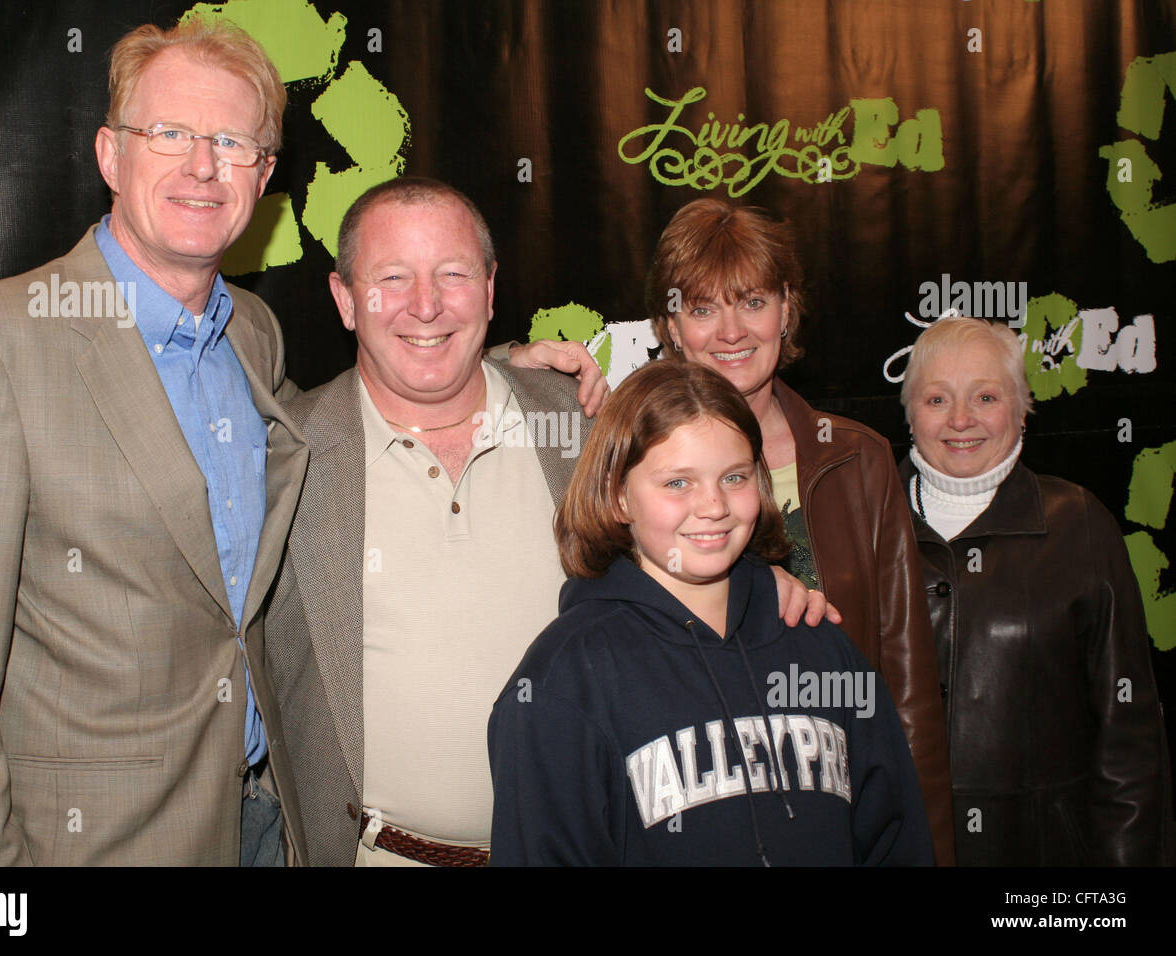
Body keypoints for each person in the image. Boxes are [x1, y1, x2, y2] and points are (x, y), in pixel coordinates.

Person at [263, 177, 834, 866]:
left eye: (453, 274)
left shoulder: (580, 423)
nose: (426, 304)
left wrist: (756, 588)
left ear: (491, 289)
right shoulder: (283, 457)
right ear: (345, 300)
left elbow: (687, 525)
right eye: (393, 277)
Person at [0, 19, 305, 865]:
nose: (202, 165)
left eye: (232, 141)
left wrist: (495, 374)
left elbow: (324, 428)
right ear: (111, 156)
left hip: (264, 822)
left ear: (263, 175)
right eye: (171, 133)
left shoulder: (251, 331)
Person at [488, 359, 933, 865]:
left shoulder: (820, 643)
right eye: (677, 483)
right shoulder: (562, 684)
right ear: (617, 497)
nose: (714, 506)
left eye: (734, 477)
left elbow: (897, 840)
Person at [644, 198, 955, 863]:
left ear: (787, 309)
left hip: (839, 816)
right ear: (672, 324)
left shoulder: (859, 461)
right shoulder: (628, 465)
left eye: (752, 302)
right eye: (702, 308)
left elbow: (908, 686)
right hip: (690, 816)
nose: (731, 331)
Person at [898, 316, 1173, 865]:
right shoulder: (866, 522)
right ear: (908, 414)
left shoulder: (1080, 524)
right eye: (936, 399)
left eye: (985, 396)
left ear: (1022, 409)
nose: (960, 420)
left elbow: (1129, 737)